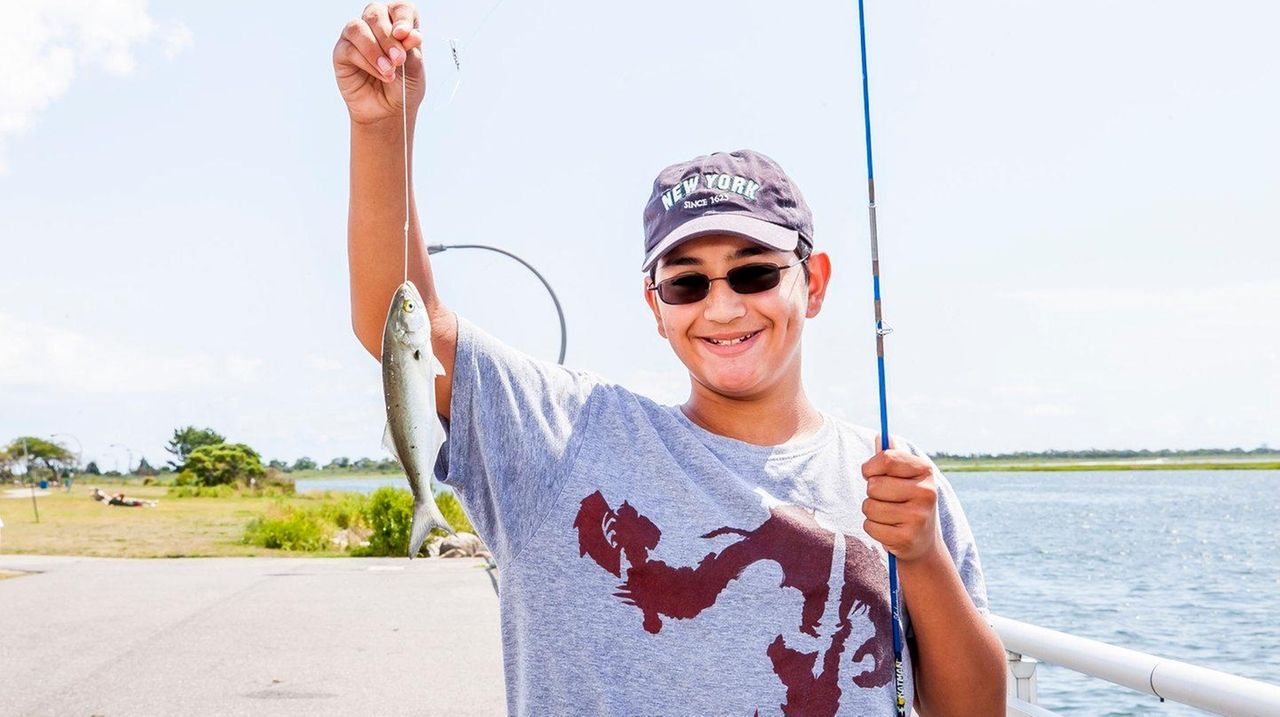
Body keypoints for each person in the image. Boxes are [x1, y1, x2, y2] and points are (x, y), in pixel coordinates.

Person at [335, 4, 1006, 715]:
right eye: (687, 281)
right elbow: (402, 322)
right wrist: (383, 129)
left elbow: (976, 709)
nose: (721, 307)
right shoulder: (568, 439)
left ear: (813, 283)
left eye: (753, 272)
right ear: (655, 307)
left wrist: (925, 555)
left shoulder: (897, 484)